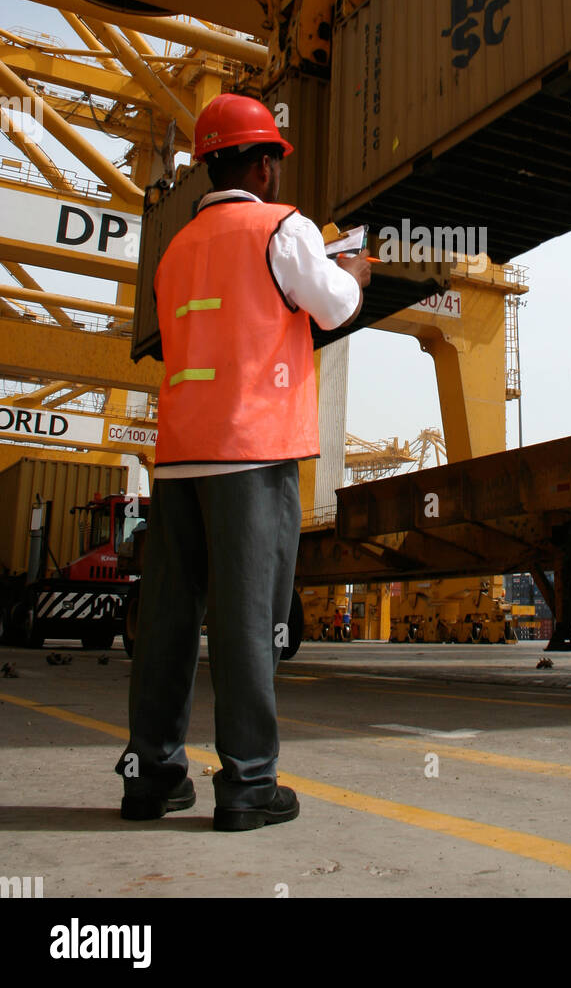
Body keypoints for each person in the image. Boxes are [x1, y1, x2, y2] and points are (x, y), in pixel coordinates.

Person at [115, 93, 370, 832]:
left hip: (178, 461)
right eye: (275, 163)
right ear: (261, 165)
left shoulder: (176, 250)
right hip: (251, 455)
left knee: (165, 622)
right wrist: (353, 268)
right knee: (247, 621)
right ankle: (248, 784)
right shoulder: (280, 228)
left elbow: (183, 335)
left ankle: (152, 778)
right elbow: (332, 307)